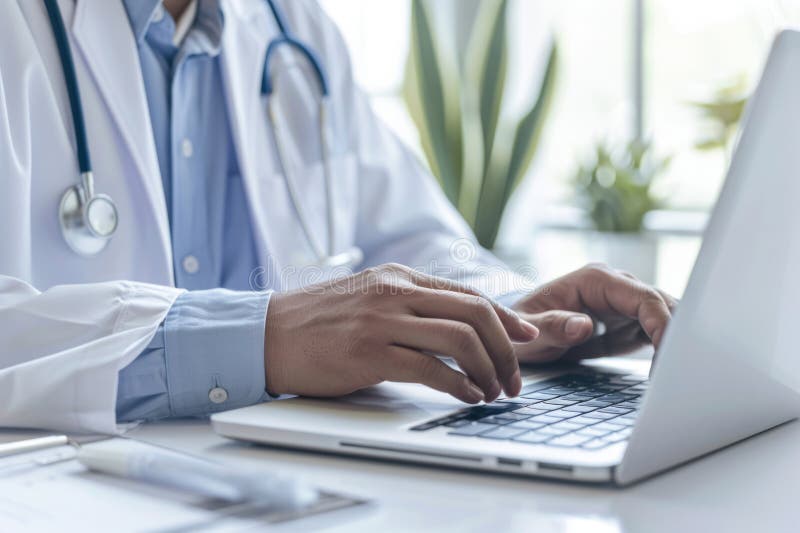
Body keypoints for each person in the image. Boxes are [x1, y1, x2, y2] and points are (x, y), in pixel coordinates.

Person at [0, 0, 675, 434]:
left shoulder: (296, 29)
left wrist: (506, 317)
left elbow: (415, 235)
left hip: (286, 477)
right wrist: (261, 340)